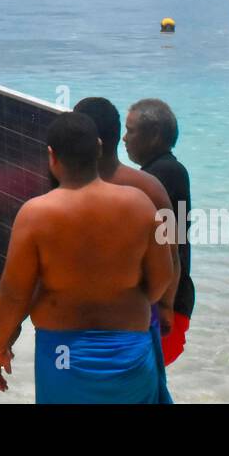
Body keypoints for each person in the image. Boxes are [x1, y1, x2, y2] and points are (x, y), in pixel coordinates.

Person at [0, 112, 174, 403]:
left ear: (52, 156)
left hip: (63, 356)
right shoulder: (139, 204)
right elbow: (162, 278)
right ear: (99, 148)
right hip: (129, 352)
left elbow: (14, 292)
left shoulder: (36, 215)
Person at [73, 97, 181, 355]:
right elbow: (172, 255)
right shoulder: (151, 188)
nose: (126, 137)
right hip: (139, 316)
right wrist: (165, 304)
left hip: (75, 323)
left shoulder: (63, 192)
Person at [125, 98, 194, 366]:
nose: (124, 138)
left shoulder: (165, 173)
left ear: (154, 135)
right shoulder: (162, 172)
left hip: (168, 305)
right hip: (167, 301)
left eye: (131, 130)